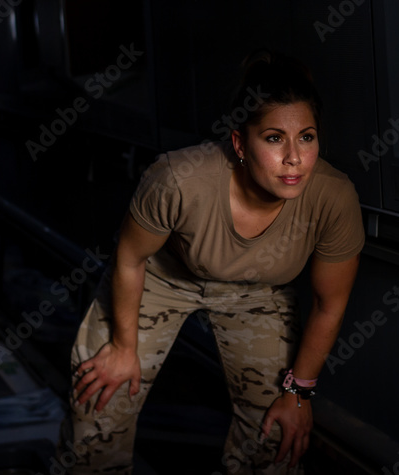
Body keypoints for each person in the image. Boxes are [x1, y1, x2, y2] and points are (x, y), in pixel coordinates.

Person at [57, 52, 365, 474]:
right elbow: (130, 258)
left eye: (306, 137)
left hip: (257, 293)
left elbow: (330, 305)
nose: (294, 157)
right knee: (98, 404)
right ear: (240, 144)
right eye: (274, 138)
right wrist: (124, 348)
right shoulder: (179, 179)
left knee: (277, 432)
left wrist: (299, 393)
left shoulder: (334, 198)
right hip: (162, 278)